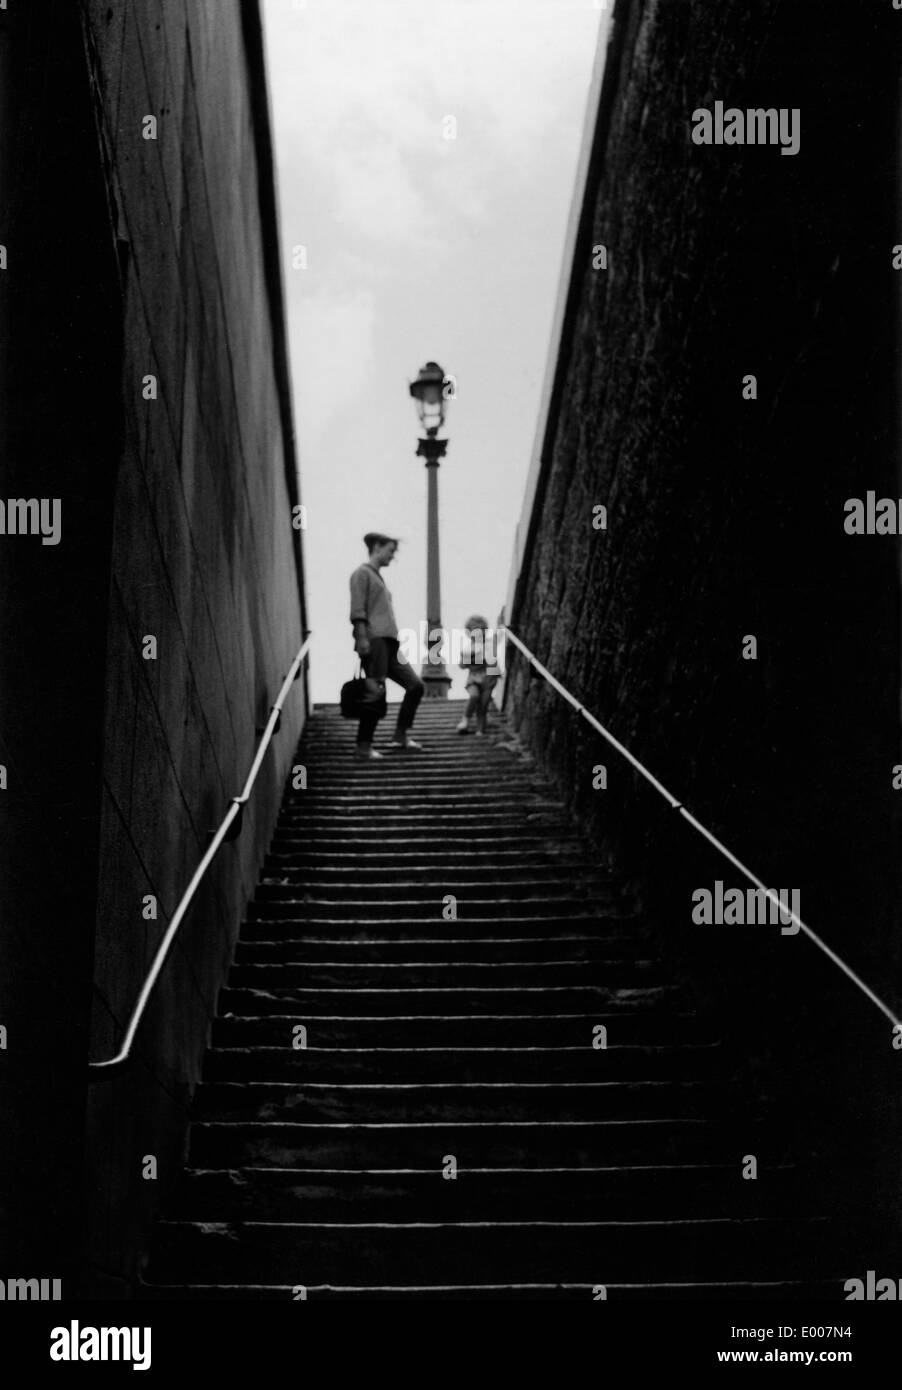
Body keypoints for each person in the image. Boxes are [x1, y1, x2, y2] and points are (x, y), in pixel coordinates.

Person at [349, 533, 425, 759]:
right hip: (375, 640)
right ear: (377, 547)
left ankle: (400, 735)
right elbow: (357, 610)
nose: (393, 556)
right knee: (375, 690)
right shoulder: (361, 574)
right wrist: (362, 638)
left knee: (415, 685)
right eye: (390, 550)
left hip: (390, 642)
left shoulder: (378, 577)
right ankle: (363, 746)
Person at [456, 614, 502, 736]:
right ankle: (465, 720)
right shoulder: (468, 648)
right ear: (469, 633)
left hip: (488, 679)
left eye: (481, 631)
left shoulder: (489, 645)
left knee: (483, 705)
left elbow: (493, 662)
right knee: (474, 696)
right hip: (474, 679)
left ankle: (480, 731)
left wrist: (495, 676)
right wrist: (471, 659)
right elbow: (461, 665)